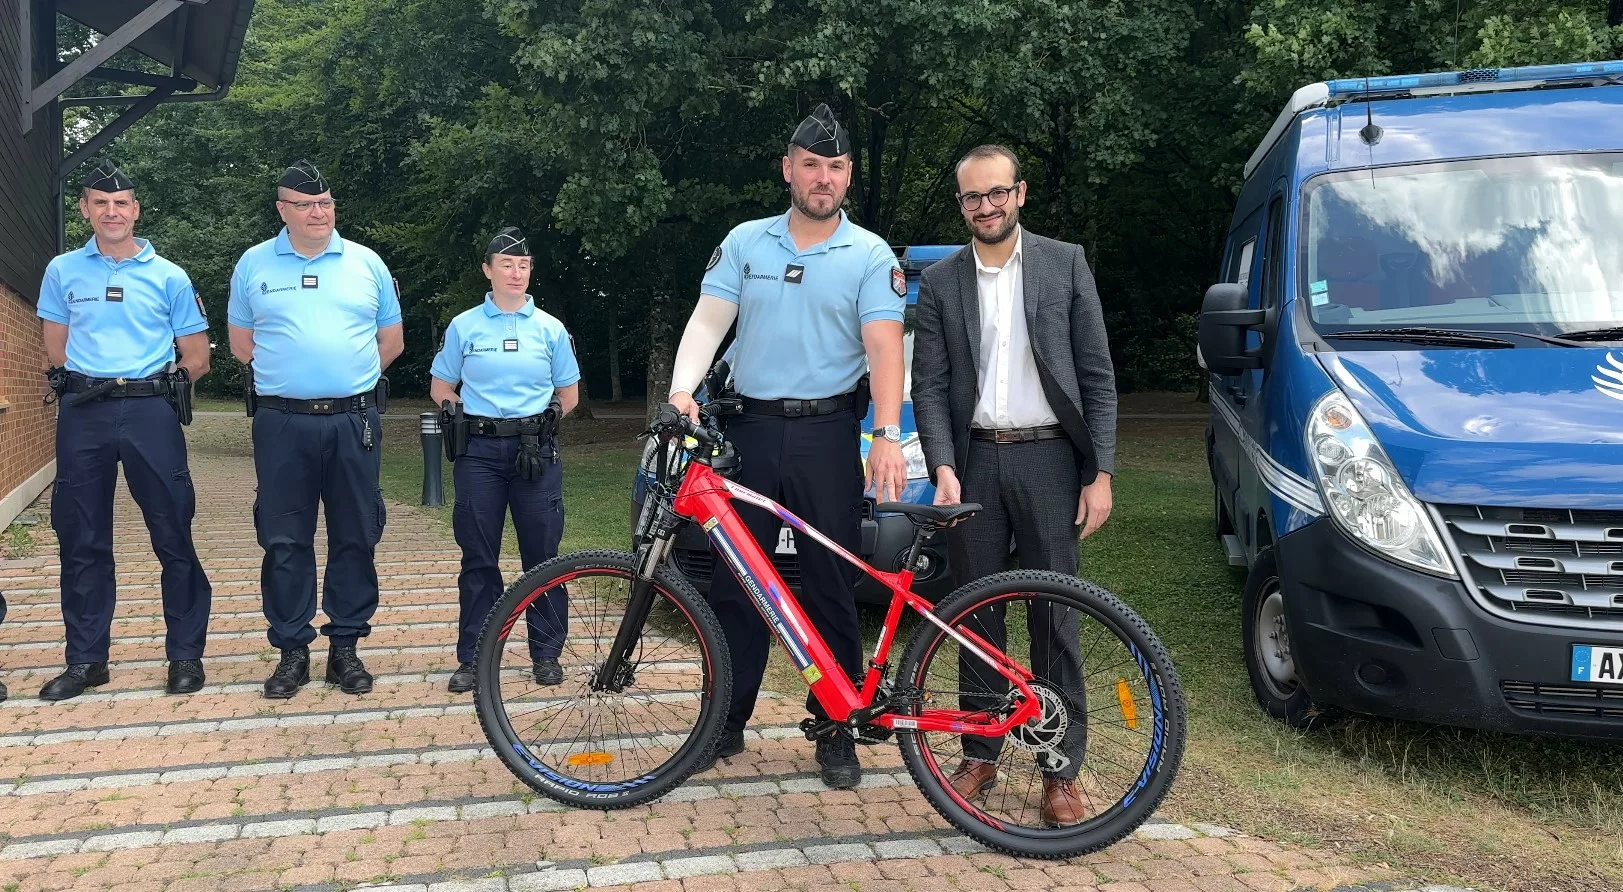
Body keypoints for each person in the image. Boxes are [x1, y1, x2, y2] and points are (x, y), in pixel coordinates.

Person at [666, 103, 909, 789]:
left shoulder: (868, 254)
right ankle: (726, 719)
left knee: (830, 583)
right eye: (811, 164)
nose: (822, 177)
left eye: (834, 167)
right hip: (747, 432)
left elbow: (884, 348)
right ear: (787, 169)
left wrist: (885, 433)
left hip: (828, 434)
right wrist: (684, 390)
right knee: (737, 583)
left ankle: (833, 726)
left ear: (848, 176)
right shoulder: (746, 242)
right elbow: (708, 321)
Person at [910, 144, 1119, 827]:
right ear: (961, 205)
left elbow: (1096, 374)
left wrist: (1100, 473)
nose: (985, 206)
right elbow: (931, 385)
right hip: (972, 462)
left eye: (996, 192)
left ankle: (1058, 769)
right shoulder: (941, 281)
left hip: (1050, 460)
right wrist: (941, 463)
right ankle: (980, 753)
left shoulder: (1064, 263)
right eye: (972, 197)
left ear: (1019, 192)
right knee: (974, 616)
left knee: (1052, 616)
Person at [33, 159, 214, 701]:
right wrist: (93, 379)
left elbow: (197, 357)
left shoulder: (169, 275)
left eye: (122, 203)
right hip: (84, 410)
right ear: (86, 209)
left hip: (148, 411)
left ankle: (185, 656)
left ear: (135, 210)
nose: (112, 211)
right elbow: (55, 344)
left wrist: (152, 388)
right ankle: (87, 660)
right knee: (81, 536)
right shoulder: (62, 270)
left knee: (172, 534)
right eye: (100, 203)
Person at [227, 159, 404, 700]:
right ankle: (292, 650)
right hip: (282, 423)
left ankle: (345, 648)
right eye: (304, 204)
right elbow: (241, 345)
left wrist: (344, 380)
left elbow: (390, 342)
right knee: (283, 540)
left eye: (325, 203)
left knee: (355, 535)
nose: (317, 212)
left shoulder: (366, 263)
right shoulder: (254, 264)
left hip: (354, 421)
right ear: (283, 210)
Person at [428, 227, 581, 694]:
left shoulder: (550, 328)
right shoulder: (464, 326)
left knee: (541, 557)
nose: (516, 273)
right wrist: (457, 415)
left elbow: (569, 393)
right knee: (479, 558)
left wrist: (549, 419)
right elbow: (441, 386)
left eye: (524, 265)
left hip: (534, 452)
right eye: (507, 265)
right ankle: (474, 657)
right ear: (488, 270)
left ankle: (547, 654)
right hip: (479, 453)